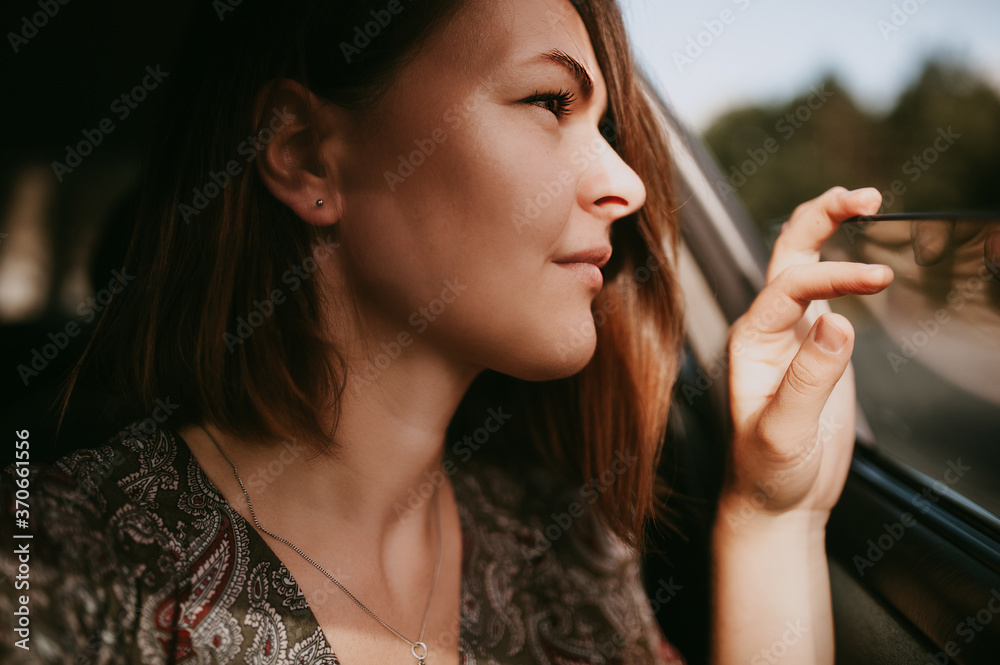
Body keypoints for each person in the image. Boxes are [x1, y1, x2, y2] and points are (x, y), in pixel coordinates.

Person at [0, 0, 893, 663]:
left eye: (608, 127)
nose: (627, 183)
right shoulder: (52, 561)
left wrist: (774, 515)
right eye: (549, 101)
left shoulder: (559, 542)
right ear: (304, 154)